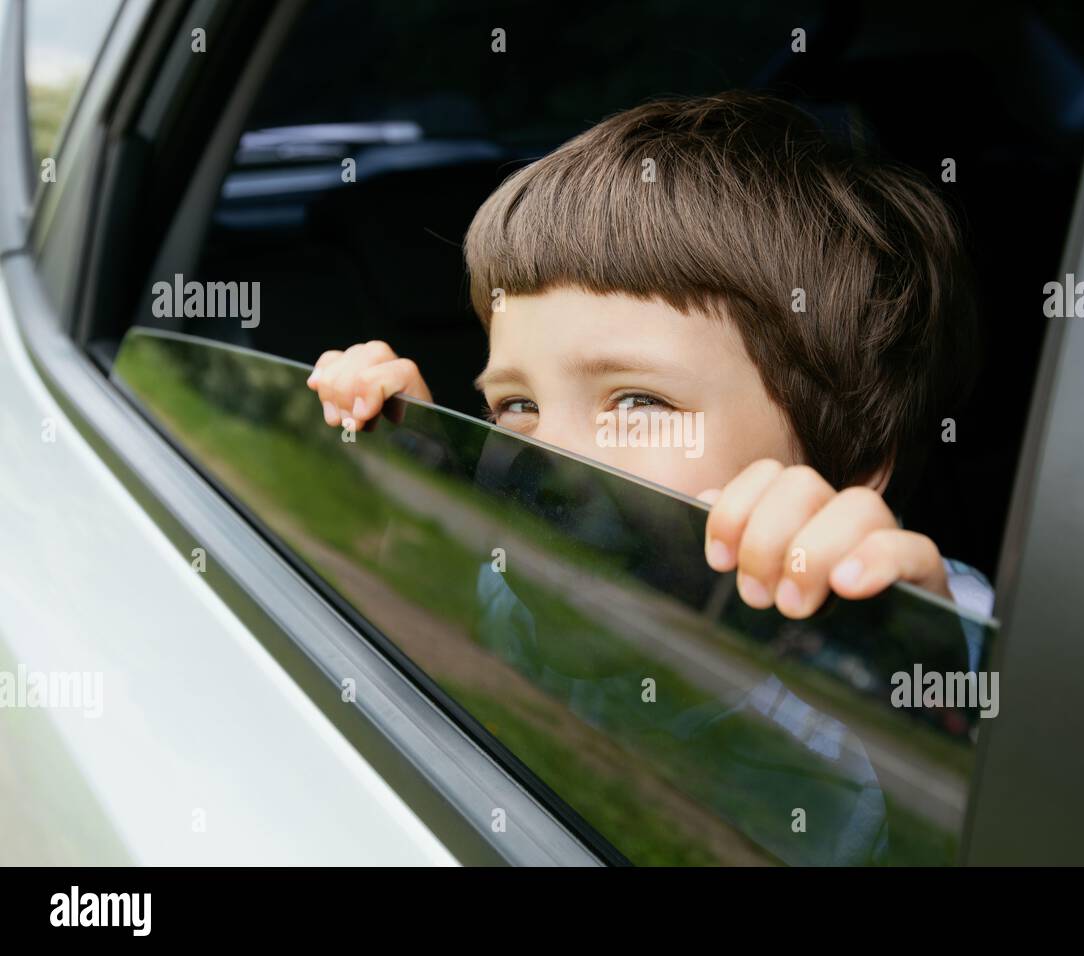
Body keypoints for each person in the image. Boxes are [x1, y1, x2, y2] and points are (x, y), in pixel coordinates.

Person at [306, 91, 994, 629]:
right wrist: (419, 497)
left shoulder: (949, 625)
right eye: (516, 405)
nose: (545, 458)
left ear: (855, 455)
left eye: (637, 402)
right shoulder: (522, 584)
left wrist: (896, 629)